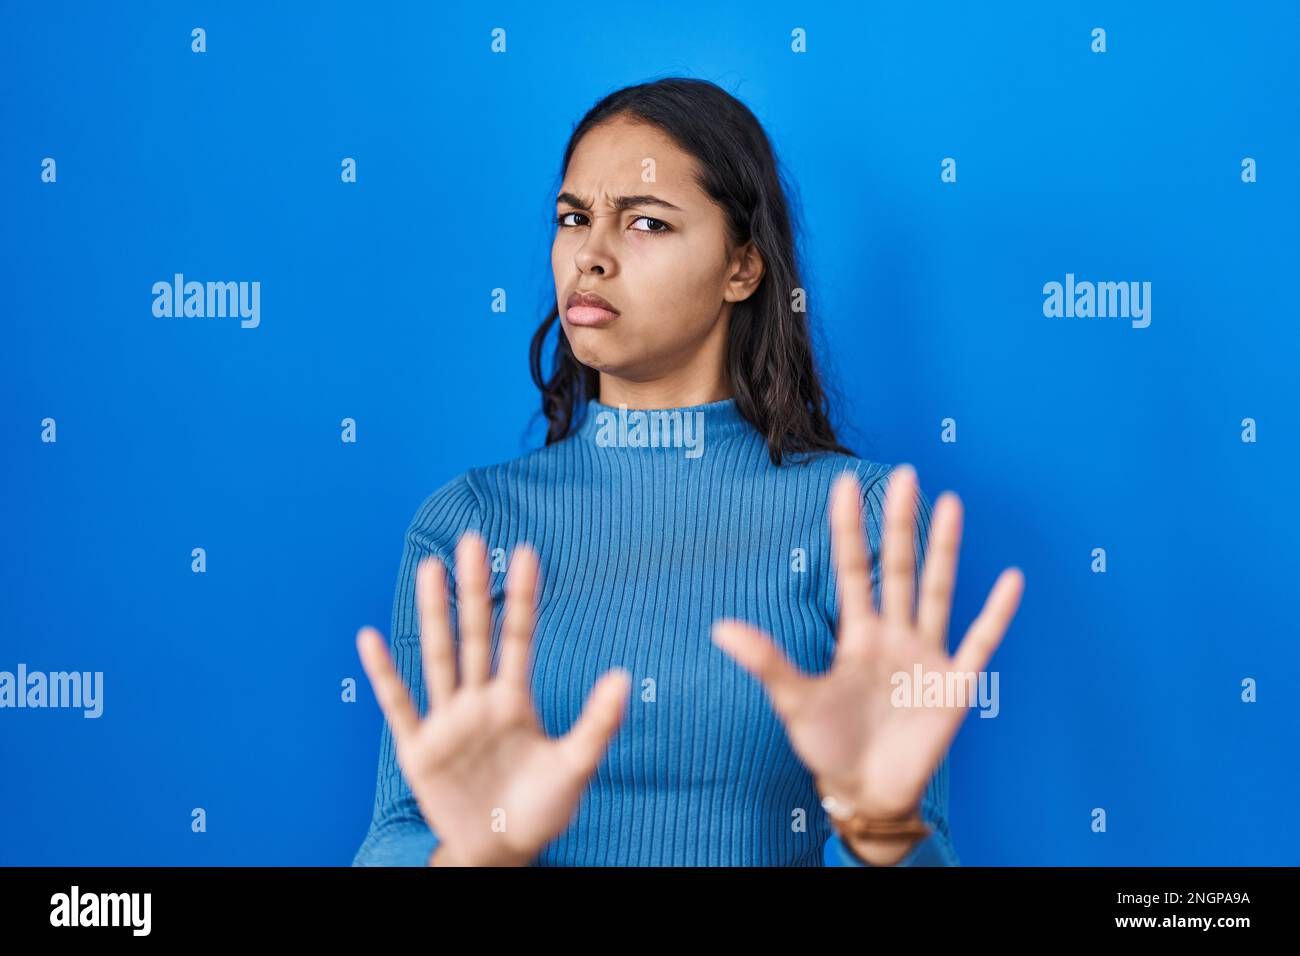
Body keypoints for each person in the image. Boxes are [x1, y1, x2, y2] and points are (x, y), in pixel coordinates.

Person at [352, 77, 1024, 866]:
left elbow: (920, 845)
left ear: (743, 267)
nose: (590, 257)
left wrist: (879, 827)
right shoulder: (468, 524)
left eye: (645, 222)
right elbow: (395, 836)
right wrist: (476, 854)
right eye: (574, 218)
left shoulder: (857, 520)